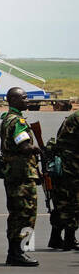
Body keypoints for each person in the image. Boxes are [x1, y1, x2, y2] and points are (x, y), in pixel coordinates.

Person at [0, 87, 41, 267]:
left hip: (14, 173)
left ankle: (15, 252)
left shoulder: (7, 119)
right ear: (13, 100)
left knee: (16, 213)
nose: (27, 100)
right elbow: (24, 146)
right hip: (22, 173)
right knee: (25, 213)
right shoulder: (17, 121)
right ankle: (18, 252)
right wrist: (38, 148)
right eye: (23, 98)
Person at [49, 106, 79, 250]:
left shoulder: (74, 117)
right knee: (72, 202)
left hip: (68, 164)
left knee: (62, 202)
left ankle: (56, 237)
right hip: (71, 166)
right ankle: (69, 239)